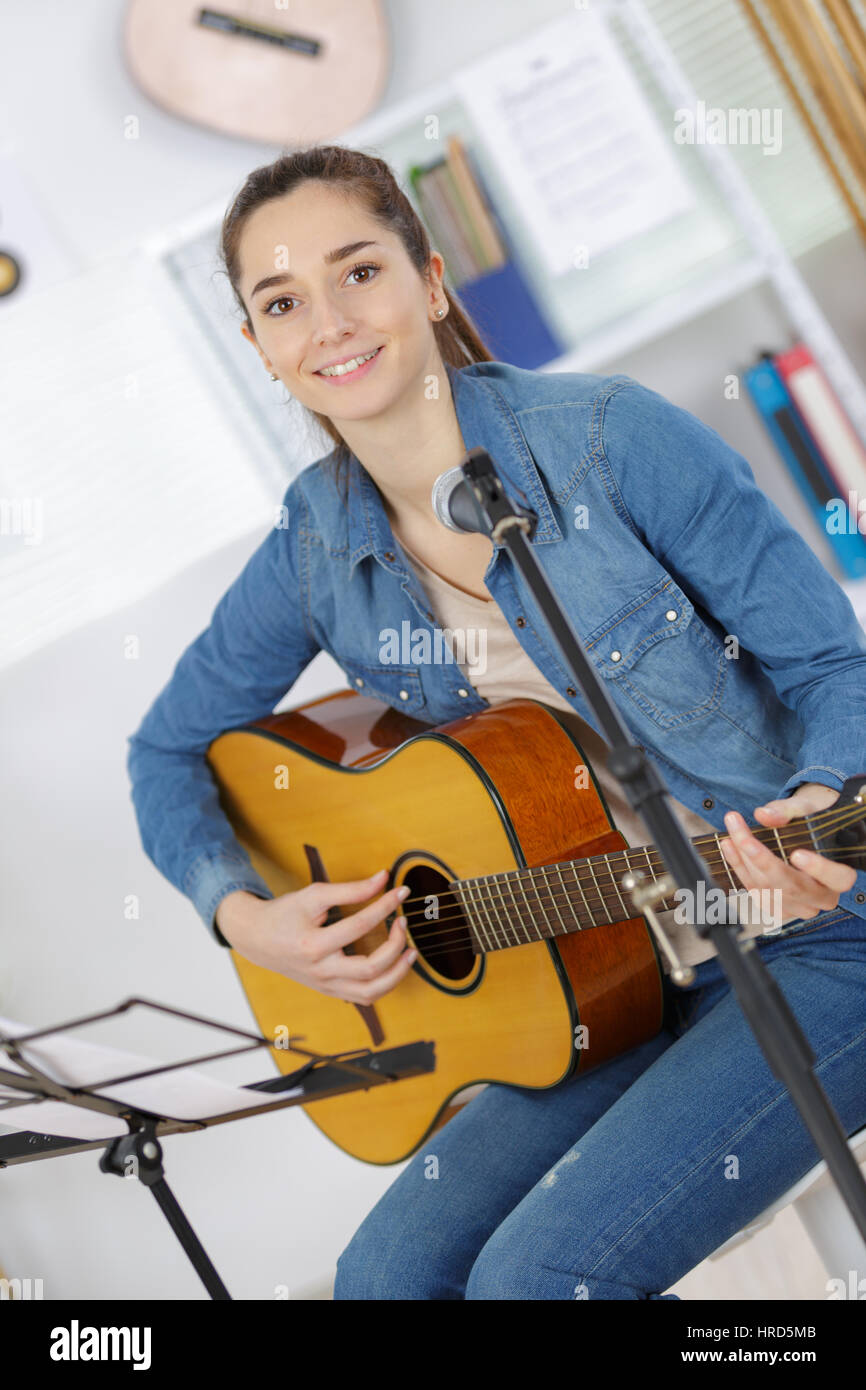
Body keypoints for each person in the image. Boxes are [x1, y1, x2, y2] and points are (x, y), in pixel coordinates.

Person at [127, 146, 866, 1300]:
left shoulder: (612, 438)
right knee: (380, 1280)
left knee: (536, 1281)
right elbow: (163, 748)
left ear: (428, 280)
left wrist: (820, 808)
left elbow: (833, 664)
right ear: (259, 348)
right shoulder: (315, 551)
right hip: (596, 978)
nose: (327, 323)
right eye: (281, 302)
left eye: (356, 271)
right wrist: (245, 917)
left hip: (812, 938)